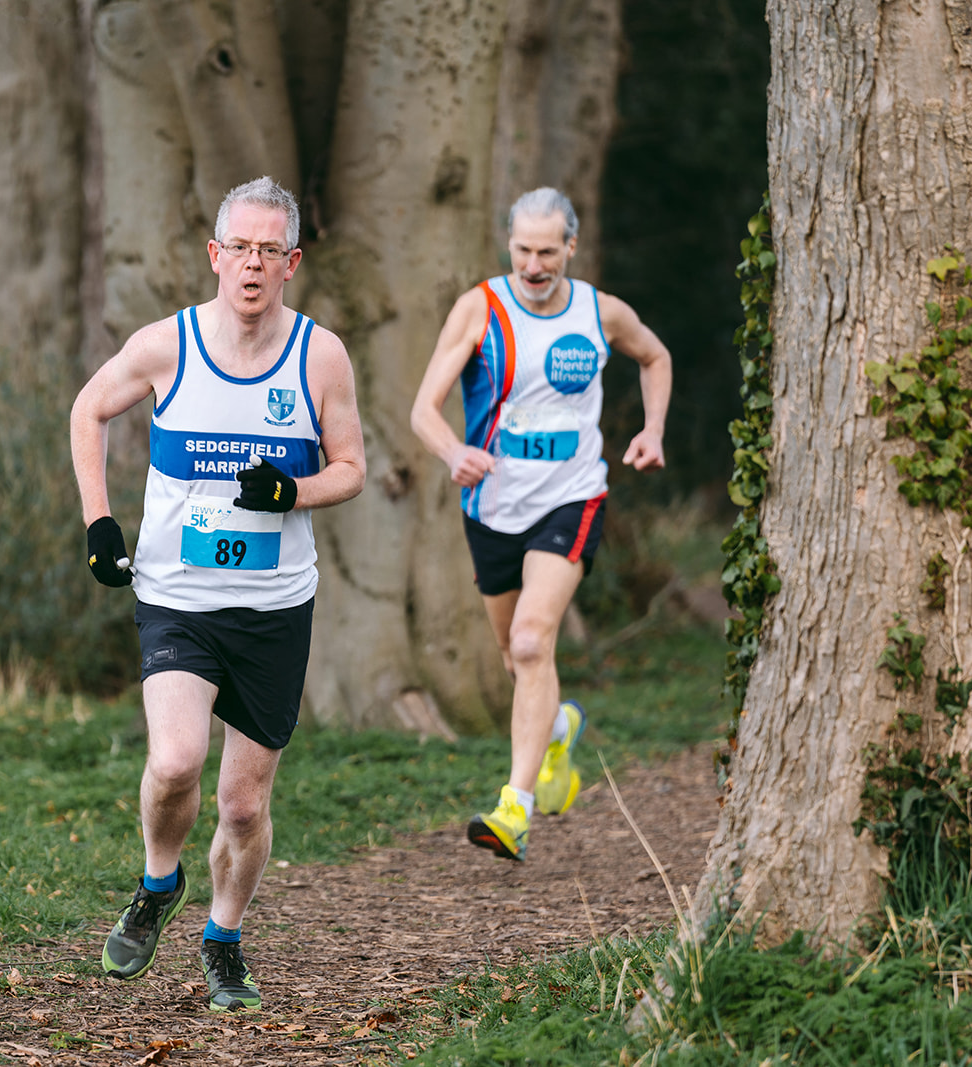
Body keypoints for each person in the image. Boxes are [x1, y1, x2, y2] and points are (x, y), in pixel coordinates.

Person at [69, 177, 365, 1010]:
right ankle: (158, 883)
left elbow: (352, 468)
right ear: (215, 255)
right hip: (177, 595)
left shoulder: (320, 355)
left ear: (292, 263)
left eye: (271, 250)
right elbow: (88, 411)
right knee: (174, 762)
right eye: (240, 247)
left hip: (274, 608)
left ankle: (224, 939)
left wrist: (292, 493)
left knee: (241, 806)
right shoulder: (168, 345)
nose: (253, 264)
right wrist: (99, 522)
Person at [410, 187, 672, 862]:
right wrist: (453, 451)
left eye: (547, 250)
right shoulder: (481, 307)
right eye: (523, 249)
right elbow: (423, 409)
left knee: (531, 643)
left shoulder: (599, 312)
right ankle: (558, 727)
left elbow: (656, 357)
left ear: (571, 248)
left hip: (573, 496)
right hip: (493, 503)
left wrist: (652, 430)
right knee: (514, 657)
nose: (533, 264)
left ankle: (514, 808)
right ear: (510, 245)